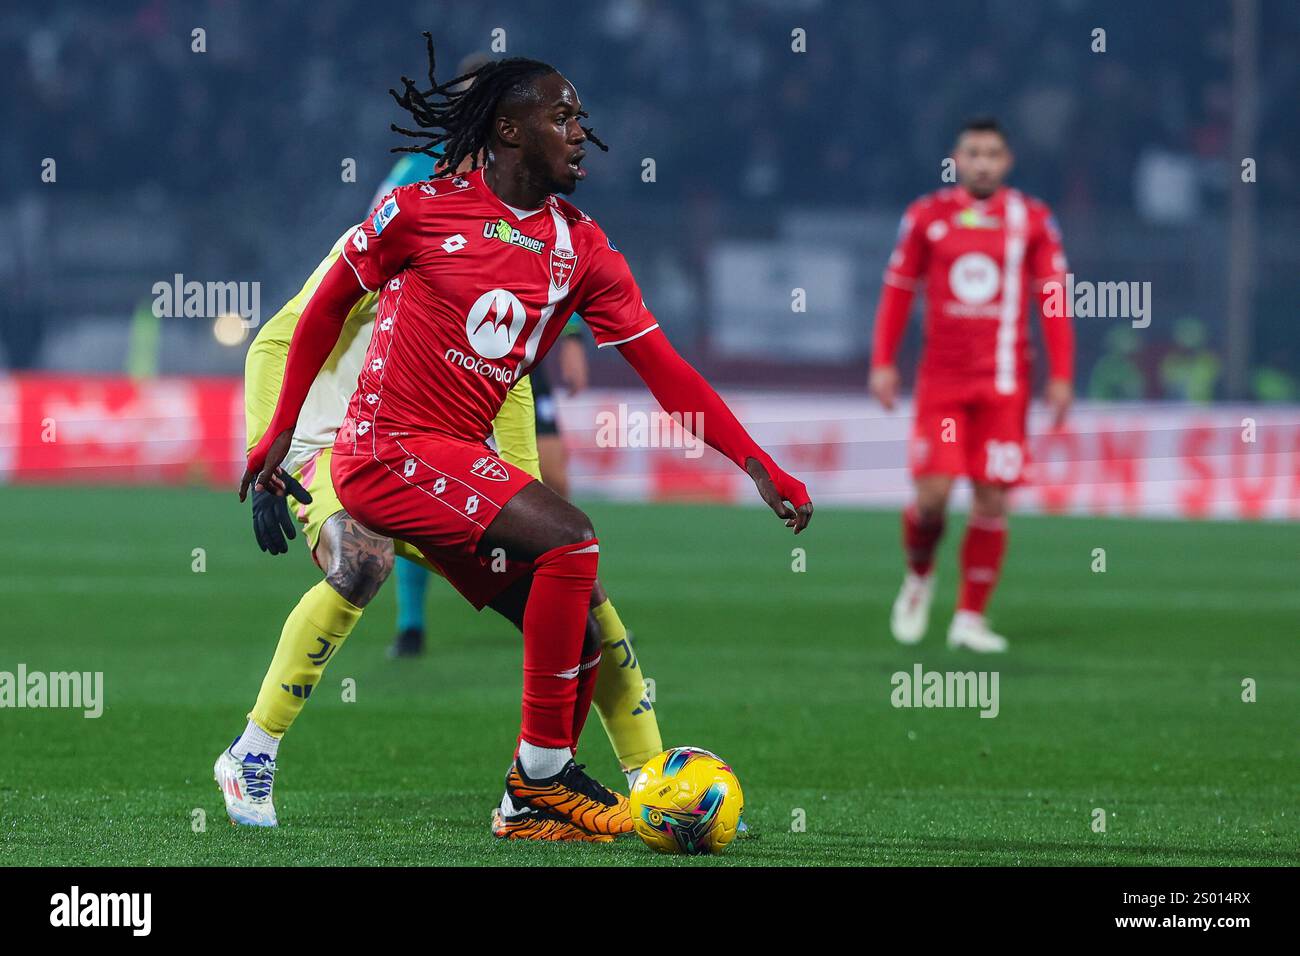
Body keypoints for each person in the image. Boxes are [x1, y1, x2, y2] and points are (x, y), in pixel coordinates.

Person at [238, 39, 812, 841]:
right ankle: (527, 777)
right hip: (371, 447)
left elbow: (666, 369)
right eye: (563, 116)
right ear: (508, 131)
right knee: (523, 546)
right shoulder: (415, 211)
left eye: (581, 117)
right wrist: (274, 441)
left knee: (577, 606)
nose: (582, 132)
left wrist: (760, 464)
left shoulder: (580, 249)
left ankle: (594, 785)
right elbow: (312, 319)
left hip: (449, 455)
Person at [869, 117, 1073, 653]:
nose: (983, 161)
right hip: (943, 383)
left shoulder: (1032, 220)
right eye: (974, 152)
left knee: (991, 499)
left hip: (1005, 384)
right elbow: (897, 290)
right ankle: (918, 576)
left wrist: (1063, 373)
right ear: (957, 159)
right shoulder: (927, 217)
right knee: (933, 497)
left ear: (1008, 162)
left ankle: (969, 619)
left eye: (993, 153)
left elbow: (1053, 298)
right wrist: (883, 361)